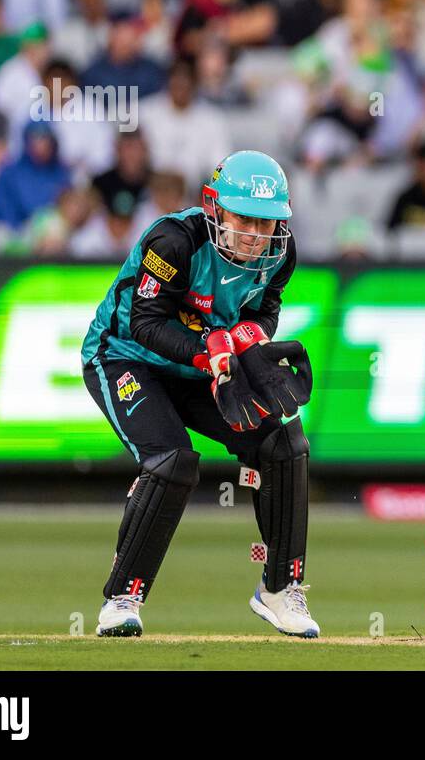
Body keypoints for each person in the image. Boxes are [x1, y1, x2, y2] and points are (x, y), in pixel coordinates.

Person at [79, 151, 316, 639]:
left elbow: (265, 308)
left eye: (267, 223)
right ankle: (123, 598)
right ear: (215, 209)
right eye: (244, 219)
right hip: (124, 357)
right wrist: (206, 349)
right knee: (172, 461)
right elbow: (143, 322)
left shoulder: (281, 253)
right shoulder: (173, 242)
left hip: (203, 366)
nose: (255, 235)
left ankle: (279, 588)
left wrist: (250, 334)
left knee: (283, 441)